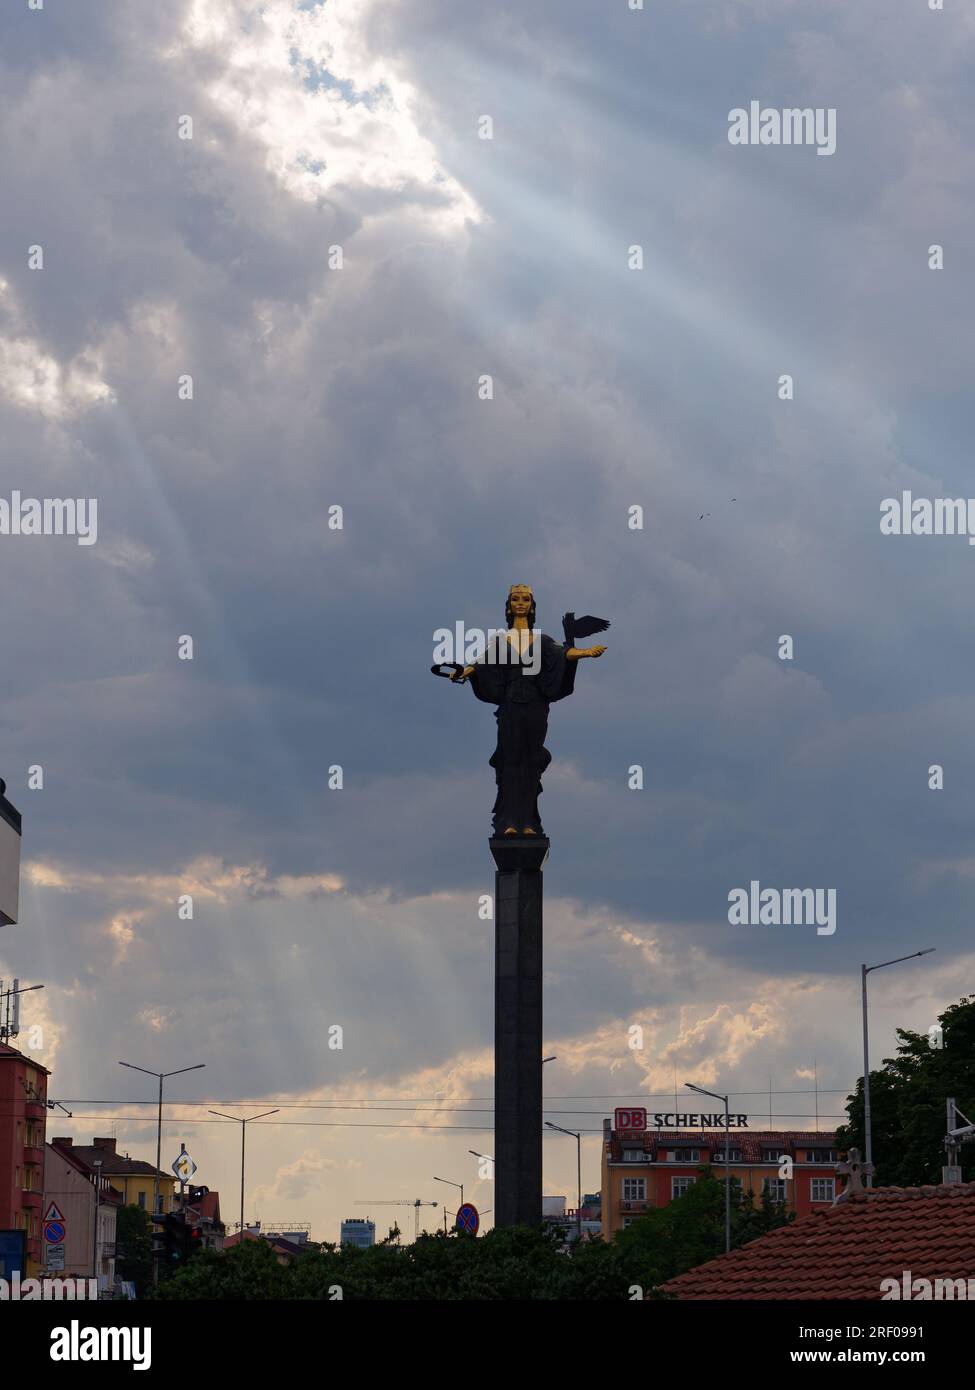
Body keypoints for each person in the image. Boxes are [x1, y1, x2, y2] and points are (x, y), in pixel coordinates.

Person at [452, 583, 606, 836]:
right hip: (510, 706)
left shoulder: (541, 640)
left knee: (531, 760)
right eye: (515, 599)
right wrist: (463, 672)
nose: (520, 603)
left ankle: (530, 822)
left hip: (535, 706)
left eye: (525, 599)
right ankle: (509, 821)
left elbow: (563, 654)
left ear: (532, 606)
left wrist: (587, 653)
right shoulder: (501, 641)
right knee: (511, 759)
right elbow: (481, 665)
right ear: (509, 606)